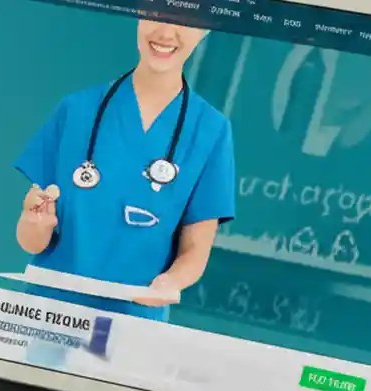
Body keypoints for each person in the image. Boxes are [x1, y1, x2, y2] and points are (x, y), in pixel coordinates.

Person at [14, 20, 237, 322]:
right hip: (51, 313)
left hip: (133, 320)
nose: (166, 33)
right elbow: (32, 241)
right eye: (158, 11)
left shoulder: (211, 130)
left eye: (186, 20)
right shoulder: (76, 110)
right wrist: (33, 223)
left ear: (206, 29)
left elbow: (195, 253)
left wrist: (170, 282)